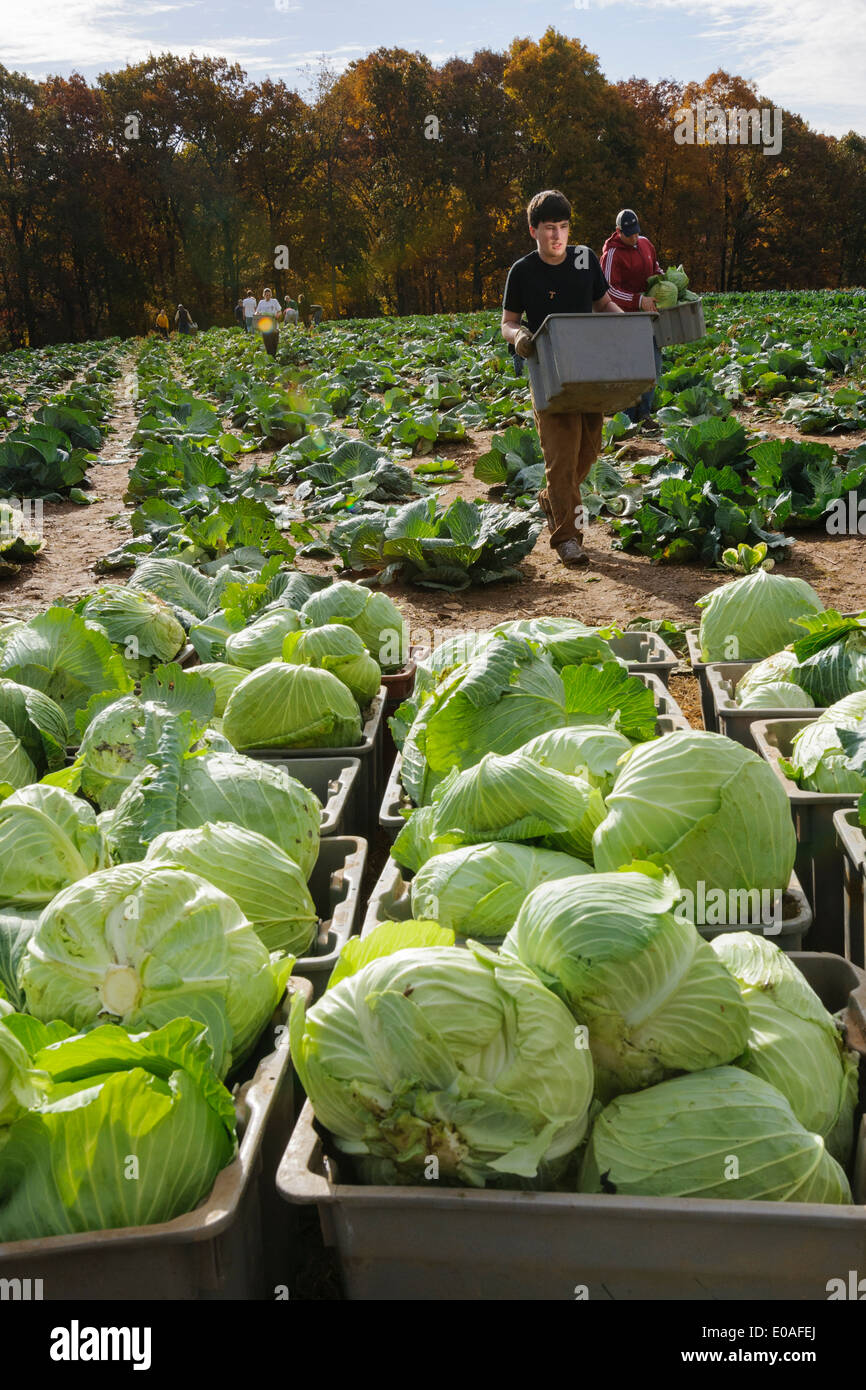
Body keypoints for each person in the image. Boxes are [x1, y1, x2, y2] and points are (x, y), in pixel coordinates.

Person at [501, 188, 624, 569]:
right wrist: (518, 336)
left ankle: (550, 499)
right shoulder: (522, 271)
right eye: (550, 227)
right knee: (561, 456)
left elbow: (603, 304)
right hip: (549, 375)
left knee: (588, 452)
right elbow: (508, 321)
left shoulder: (586, 260)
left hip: (588, 374)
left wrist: (630, 326)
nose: (557, 236)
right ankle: (567, 538)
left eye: (564, 227)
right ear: (533, 230)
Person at [600, 209, 664, 422]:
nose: (635, 237)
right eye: (630, 234)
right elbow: (608, 290)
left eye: (637, 232)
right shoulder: (612, 255)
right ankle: (625, 418)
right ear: (619, 231)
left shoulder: (646, 244)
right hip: (623, 320)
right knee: (627, 369)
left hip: (648, 317)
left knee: (653, 365)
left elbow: (654, 266)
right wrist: (638, 300)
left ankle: (645, 412)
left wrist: (662, 277)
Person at [256, 286, 282, 358]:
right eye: (266, 295)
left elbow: (280, 311)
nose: (268, 296)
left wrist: (277, 315)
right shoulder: (261, 302)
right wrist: (258, 315)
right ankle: (270, 356)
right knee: (267, 341)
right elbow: (257, 312)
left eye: (269, 295)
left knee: (274, 340)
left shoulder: (274, 301)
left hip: (274, 322)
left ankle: (274, 355)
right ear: (264, 295)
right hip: (265, 324)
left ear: (271, 295)